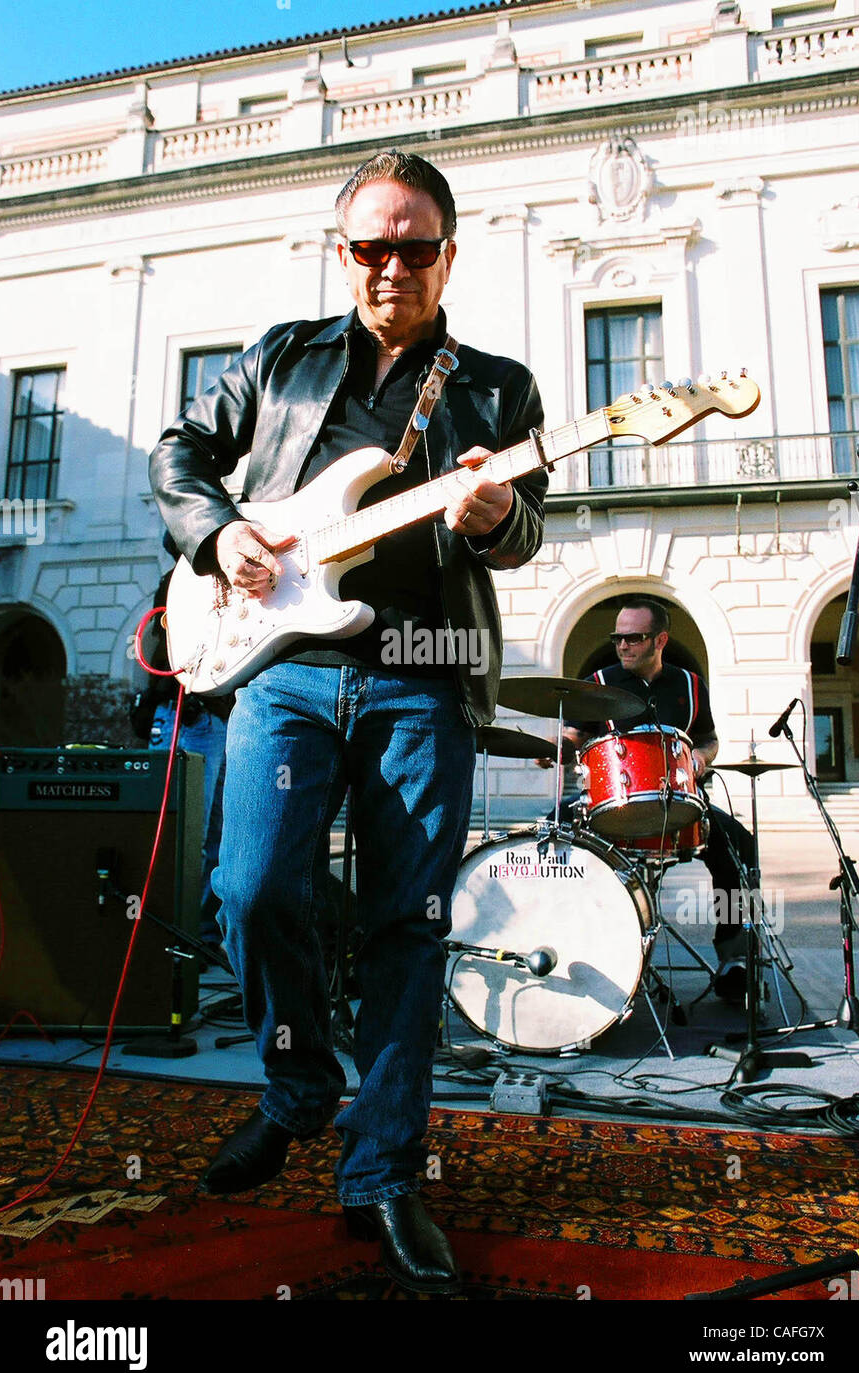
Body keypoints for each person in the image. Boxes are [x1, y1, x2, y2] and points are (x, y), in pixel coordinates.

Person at [148, 150, 546, 1294]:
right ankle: (297, 1081)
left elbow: (524, 537)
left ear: (446, 256)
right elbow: (182, 453)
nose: (391, 266)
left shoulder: (495, 386)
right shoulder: (281, 356)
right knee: (252, 886)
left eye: (414, 246)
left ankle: (381, 1172)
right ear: (345, 253)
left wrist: (492, 511)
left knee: (404, 927)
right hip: (284, 669)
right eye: (371, 246)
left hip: (426, 678)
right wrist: (217, 536)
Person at [551, 597, 754, 1003]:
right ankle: (574, 954)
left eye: (633, 638)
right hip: (611, 803)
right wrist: (553, 746)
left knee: (740, 846)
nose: (622, 646)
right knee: (550, 839)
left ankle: (734, 958)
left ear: (660, 639)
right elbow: (575, 736)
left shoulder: (690, 685)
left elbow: (709, 738)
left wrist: (701, 756)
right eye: (617, 638)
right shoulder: (598, 681)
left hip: (679, 803)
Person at [131, 533, 230, 956]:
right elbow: (159, 648)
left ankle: (202, 931)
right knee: (188, 828)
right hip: (186, 717)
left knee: (218, 835)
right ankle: (179, 929)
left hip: (218, 720)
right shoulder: (175, 583)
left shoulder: (221, 580)